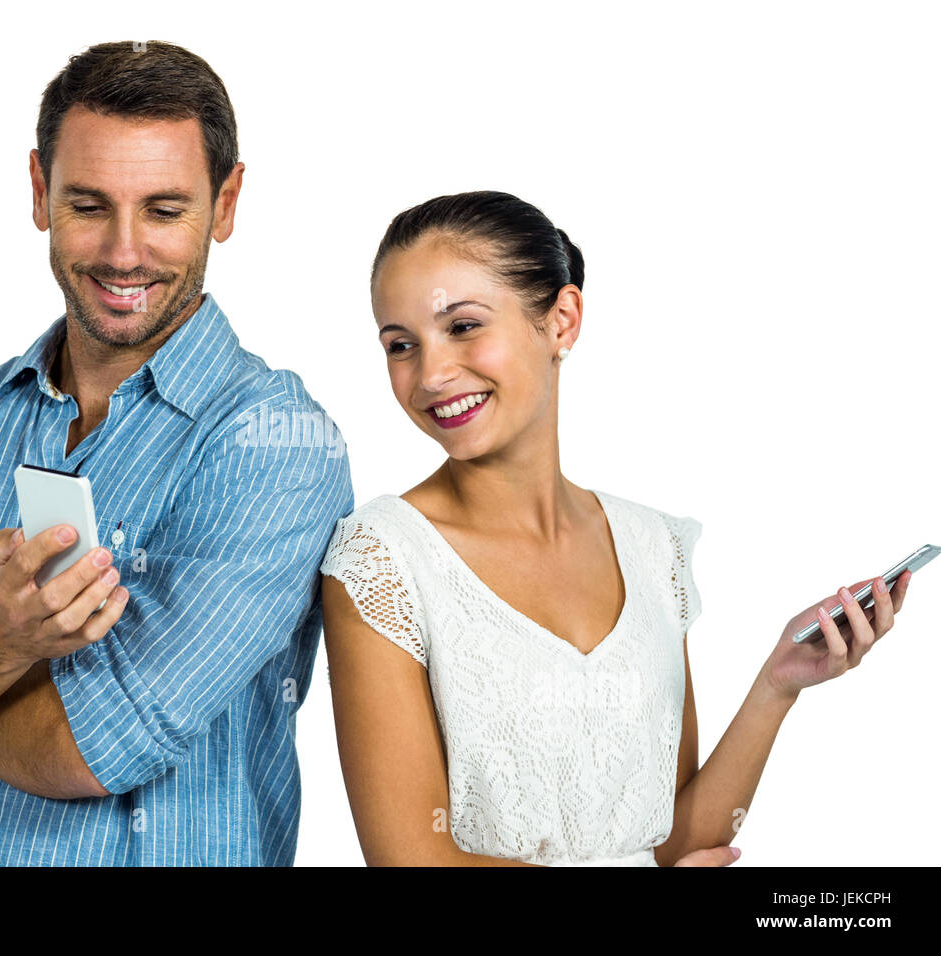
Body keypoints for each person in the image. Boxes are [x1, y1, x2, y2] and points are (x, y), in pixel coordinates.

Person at [0, 40, 352, 866]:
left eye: (165, 211)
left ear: (228, 201)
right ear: (38, 191)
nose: (124, 252)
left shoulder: (279, 444)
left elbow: (98, 744)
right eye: (89, 205)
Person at [318, 190, 912, 867]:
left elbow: (669, 845)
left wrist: (778, 683)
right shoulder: (380, 561)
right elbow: (412, 863)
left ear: (562, 320)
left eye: (462, 326)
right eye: (401, 345)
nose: (431, 374)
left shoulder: (652, 549)